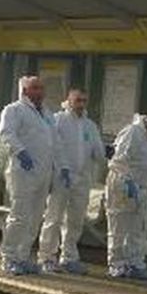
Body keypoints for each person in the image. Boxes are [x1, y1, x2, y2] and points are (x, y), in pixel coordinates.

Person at [37, 89, 105, 275]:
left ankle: (69, 257)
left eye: (84, 100)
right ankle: (47, 257)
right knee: (54, 217)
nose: (81, 104)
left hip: (82, 179)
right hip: (62, 176)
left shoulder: (89, 125)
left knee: (75, 220)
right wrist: (57, 169)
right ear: (68, 100)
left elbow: (98, 151)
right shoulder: (58, 120)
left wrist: (109, 161)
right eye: (77, 100)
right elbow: (51, 146)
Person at [0, 75, 56, 276]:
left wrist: (57, 168)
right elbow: (7, 134)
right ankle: (9, 257)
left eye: (42, 88)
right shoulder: (13, 110)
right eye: (35, 88)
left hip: (43, 172)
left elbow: (53, 143)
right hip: (22, 171)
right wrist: (21, 152)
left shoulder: (48, 114)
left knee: (34, 217)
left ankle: (23, 257)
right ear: (25, 91)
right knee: (19, 215)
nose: (40, 92)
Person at [105, 111, 147, 280]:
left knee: (137, 228)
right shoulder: (132, 133)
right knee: (118, 226)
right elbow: (117, 160)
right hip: (122, 185)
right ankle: (116, 264)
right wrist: (127, 182)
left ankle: (135, 262)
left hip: (139, 188)